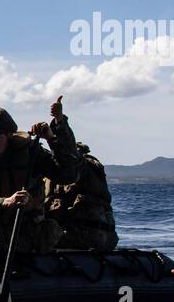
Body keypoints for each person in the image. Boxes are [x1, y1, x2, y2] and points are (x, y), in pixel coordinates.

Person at [0, 98, 81, 254]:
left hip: (29, 232)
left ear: (8, 135)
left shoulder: (30, 153)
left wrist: (53, 136)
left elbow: (68, 175)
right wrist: (4, 202)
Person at [43, 98, 118, 250]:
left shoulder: (83, 166)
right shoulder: (48, 171)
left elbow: (68, 156)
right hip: (65, 235)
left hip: (88, 237)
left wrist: (58, 121)